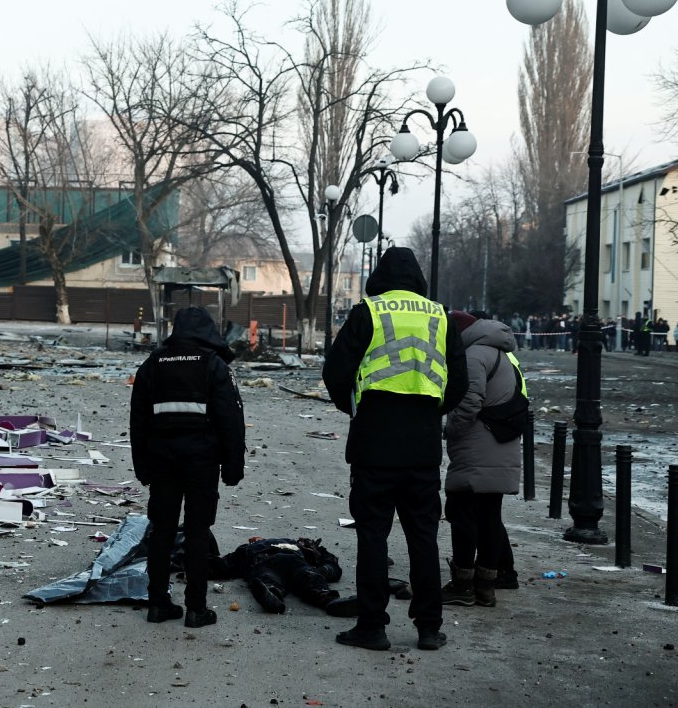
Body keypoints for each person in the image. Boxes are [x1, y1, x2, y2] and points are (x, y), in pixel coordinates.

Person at [323, 247, 467, 652]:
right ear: (419, 278)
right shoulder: (440, 316)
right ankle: (428, 627)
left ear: (378, 276)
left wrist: (355, 407)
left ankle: (372, 625)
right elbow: (458, 380)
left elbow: (335, 372)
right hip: (421, 445)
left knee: (373, 535)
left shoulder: (367, 311)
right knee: (423, 536)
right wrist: (430, 409)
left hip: (373, 441)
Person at [130, 305, 245, 628]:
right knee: (197, 532)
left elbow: (137, 421)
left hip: (161, 462)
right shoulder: (213, 365)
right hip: (202, 461)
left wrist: (142, 466)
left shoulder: (152, 365)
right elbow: (230, 420)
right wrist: (233, 467)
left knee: (162, 532)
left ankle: (158, 604)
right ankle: (196, 609)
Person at [440, 310, 525, 608]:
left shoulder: (474, 355)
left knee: (463, 518)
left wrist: (448, 429)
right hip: (500, 446)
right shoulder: (499, 352)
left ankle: (463, 585)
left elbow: (469, 402)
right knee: (489, 518)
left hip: (478, 447)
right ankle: (486, 588)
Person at [209, 537, 343, 614]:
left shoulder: (302, 546)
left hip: (296, 563)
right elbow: (224, 566)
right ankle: (272, 596)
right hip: (267, 562)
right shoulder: (247, 549)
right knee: (267, 578)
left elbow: (331, 563)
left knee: (310, 577)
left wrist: (324, 570)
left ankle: (329, 600)